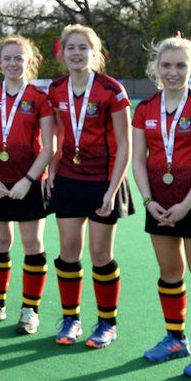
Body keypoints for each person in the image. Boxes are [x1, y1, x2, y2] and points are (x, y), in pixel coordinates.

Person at [47, 24, 134, 348]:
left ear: (94, 52)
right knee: (68, 252)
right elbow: (58, 134)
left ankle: (107, 323)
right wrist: (54, 168)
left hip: (104, 181)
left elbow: (125, 145)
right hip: (69, 178)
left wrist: (113, 190)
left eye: (83, 47)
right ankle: (71, 320)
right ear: (62, 52)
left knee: (100, 254)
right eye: (71, 47)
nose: (77, 53)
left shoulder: (112, 90)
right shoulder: (56, 89)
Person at [131, 35, 191, 378]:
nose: (173, 72)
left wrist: (185, 205)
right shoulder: (145, 108)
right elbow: (137, 160)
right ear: (156, 68)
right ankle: (175, 339)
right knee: (169, 273)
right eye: (166, 65)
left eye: (180, 65)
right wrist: (149, 202)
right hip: (159, 206)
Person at [0, 36, 55, 333]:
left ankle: (30, 310)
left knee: (33, 245)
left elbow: (48, 147)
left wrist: (29, 180)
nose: (12, 63)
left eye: (18, 58)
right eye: (7, 58)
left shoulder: (39, 98)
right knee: (0, 244)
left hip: (30, 182)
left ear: (29, 61)